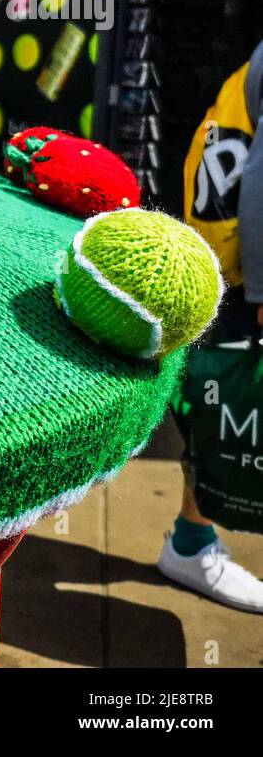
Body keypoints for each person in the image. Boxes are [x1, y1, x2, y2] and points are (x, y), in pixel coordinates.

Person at [158, 41, 263, 612]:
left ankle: (192, 539)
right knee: (228, 401)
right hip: (246, 275)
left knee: (223, 399)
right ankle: (192, 541)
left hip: (235, 265)